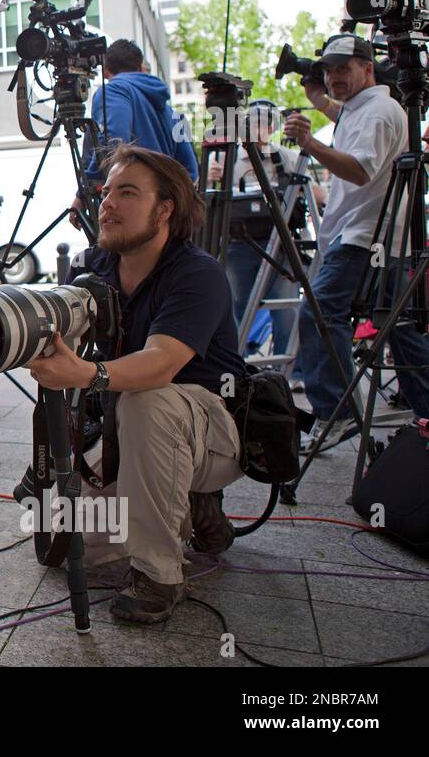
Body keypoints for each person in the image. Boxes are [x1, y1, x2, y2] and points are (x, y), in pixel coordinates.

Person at [29, 144, 246, 624]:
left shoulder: (197, 272)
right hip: (129, 433)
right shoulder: (94, 268)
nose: (107, 203)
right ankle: (187, 511)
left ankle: (161, 573)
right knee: (64, 539)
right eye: (106, 192)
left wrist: (86, 374)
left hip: (211, 433)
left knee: (146, 398)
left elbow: (160, 364)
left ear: (164, 209)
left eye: (127, 192)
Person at [284, 33, 429, 427]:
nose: (333, 78)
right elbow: (347, 119)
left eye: (342, 69)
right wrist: (319, 100)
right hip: (379, 237)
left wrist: (308, 142)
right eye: (328, 70)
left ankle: (337, 414)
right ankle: (428, 412)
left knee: (318, 311)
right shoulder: (366, 107)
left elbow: (361, 170)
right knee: (399, 328)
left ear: (367, 68)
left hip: (366, 238)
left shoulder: (378, 112)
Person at [206, 100, 310, 355]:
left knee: (283, 308)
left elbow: (307, 191)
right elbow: (205, 196)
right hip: (238, 243)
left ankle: (287, 369)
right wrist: (209, 177)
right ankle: (238, 362)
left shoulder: (284, 157)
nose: (259, 129)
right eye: (253, 123)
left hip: (280, 242)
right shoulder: (224, 157)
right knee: (236, 305)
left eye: (265, 123)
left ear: (273, 127)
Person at [73, 40, 197, 227]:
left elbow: (112, 144)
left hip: (131, 216)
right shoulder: (168, 110)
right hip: (165, 215)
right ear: (140, 67)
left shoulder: (112, 91)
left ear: (106, 70)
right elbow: (190, 168)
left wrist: (83, 193)